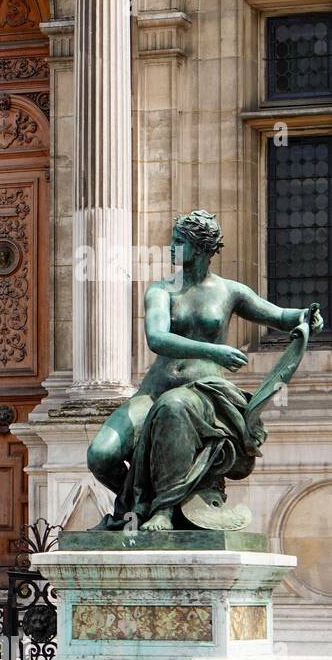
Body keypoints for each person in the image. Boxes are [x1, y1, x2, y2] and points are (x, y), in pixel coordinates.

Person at [87, 210, 322, 531]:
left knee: (175, 407)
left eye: (179, 241)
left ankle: (165, 508)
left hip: (203, 393)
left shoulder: (230, 292)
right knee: (102, 455)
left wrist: (305, 316)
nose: (170, 247)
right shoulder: (161, 291)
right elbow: (157, 338)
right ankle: (141, 503)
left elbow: (280, 316)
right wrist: (215, 350)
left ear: (199, 248)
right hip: (154, 390)